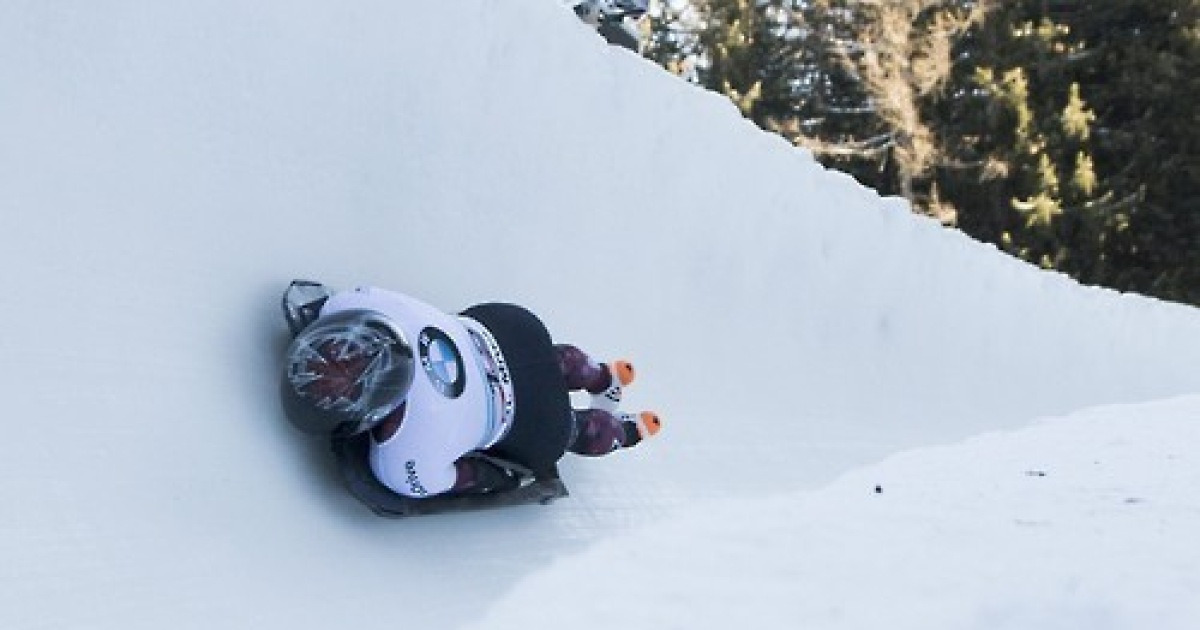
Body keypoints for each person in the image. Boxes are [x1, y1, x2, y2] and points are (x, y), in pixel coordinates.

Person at [279, 282, 660, 499]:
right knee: (556, 360)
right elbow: (331, 304)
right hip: (506, 327)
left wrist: (509, 479)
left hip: (526, 412)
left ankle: (622, 432)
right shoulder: (355, 302)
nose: (330, 363)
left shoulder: (402, 461)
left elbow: (472, 477)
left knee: (569, 433)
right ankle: (601, 375)